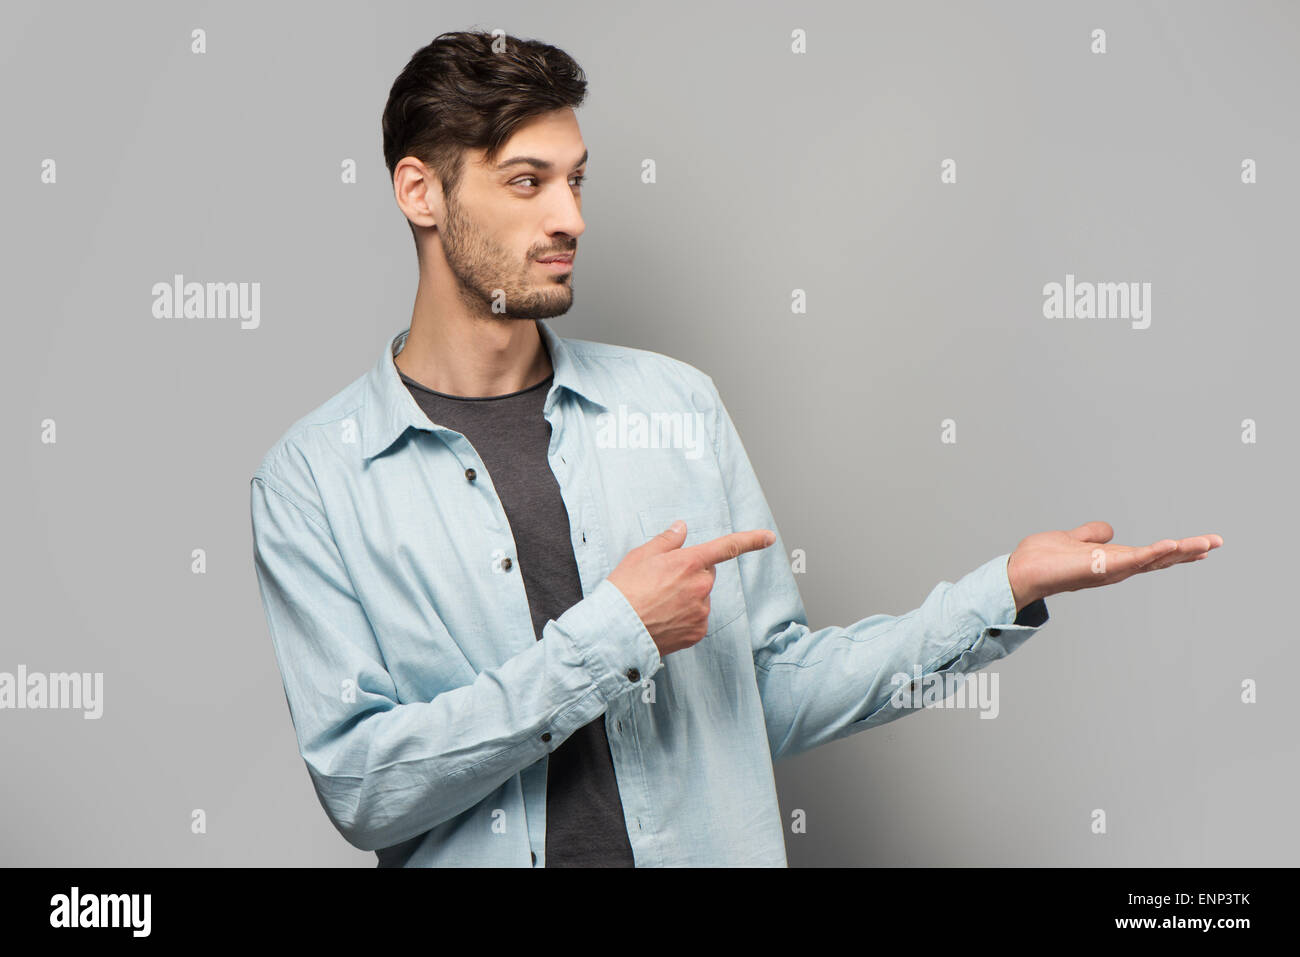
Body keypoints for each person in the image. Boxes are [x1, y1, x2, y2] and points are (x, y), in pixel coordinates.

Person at [248, 30, 1222, 867]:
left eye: (577, 181)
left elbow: (766, 695)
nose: (570, 218)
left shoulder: (675, 406)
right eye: (526, 182)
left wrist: (999, 590)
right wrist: (613, 637)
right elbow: (363, 788)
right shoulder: (315, 478)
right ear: (420, 192)